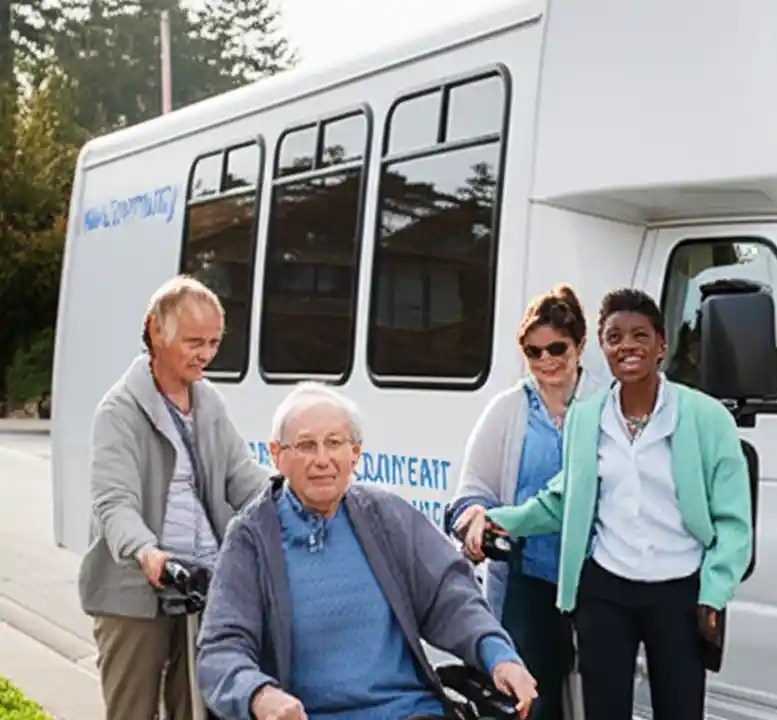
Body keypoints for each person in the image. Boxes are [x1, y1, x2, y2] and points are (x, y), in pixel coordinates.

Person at [482, 287, 754, 720]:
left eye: (639, 335)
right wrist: (499, 520)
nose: (626, 345)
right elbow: (562, 500)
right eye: (614, 336)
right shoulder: (587, 418)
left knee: (680, 710)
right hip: (605, 591)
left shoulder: (706, 419)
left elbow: (734, 520)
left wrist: (716, 590)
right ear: (603, 348)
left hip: (679, 590)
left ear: (661, 345)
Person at [196, 382, 538, 720]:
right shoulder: (251, 538)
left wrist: (499, 655)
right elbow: (221, 650)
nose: (322, 459)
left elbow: (452, 597)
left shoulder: (386, 517)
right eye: (305, 445)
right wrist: (259, 694)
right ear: (277, 456)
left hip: (408, 711)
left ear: (355, 454)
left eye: (334, 443)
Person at [77, 275, 272, 720]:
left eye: (214, 343)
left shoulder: (208, 402)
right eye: (193, 342)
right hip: (135, 589)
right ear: (154, 332)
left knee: (201, 709)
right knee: (133, 712)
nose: (205, 354)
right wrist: (146, 551)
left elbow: (242, 477)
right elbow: (114, 503)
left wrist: (293, 503)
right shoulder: (119, 411)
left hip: (203, 581)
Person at [449, 284, 601, 720]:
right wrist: (474, 517)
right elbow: (471, 489)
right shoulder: (508, 410)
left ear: (580, 345)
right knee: (530, 704)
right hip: (526, 579)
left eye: (558, 348)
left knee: (595, 700)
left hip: (596, 579)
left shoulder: (606, 404)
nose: (547, 360)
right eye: (534, 352)